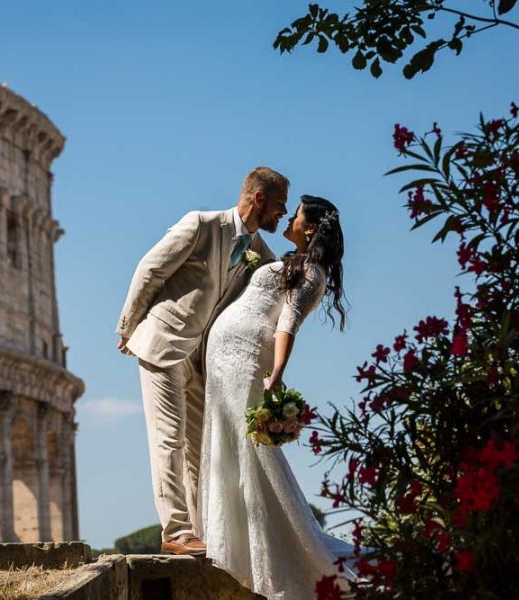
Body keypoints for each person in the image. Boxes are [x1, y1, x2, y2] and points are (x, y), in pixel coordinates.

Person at [115, 167, 288, 555]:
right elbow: (150, 270)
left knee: (201, 448)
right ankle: (176, 531)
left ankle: (202, 531)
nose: (283, 213)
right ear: (258, 199)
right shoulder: (200, 225)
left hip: (205, 361)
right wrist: (129, 326)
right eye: (279, 204)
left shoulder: (264, 256)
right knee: (168, 438)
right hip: (163, 342)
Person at [199, 195, 351, 598]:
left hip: (247, 355)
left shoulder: (313, 272)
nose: (289, 218)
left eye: (296, 215)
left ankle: (262, 550)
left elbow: (288, 323)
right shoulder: (293, 261)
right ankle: (230, 537)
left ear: (311, 227)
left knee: (250, 449)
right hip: (225, 352)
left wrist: (278, 372)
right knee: (228, 443)